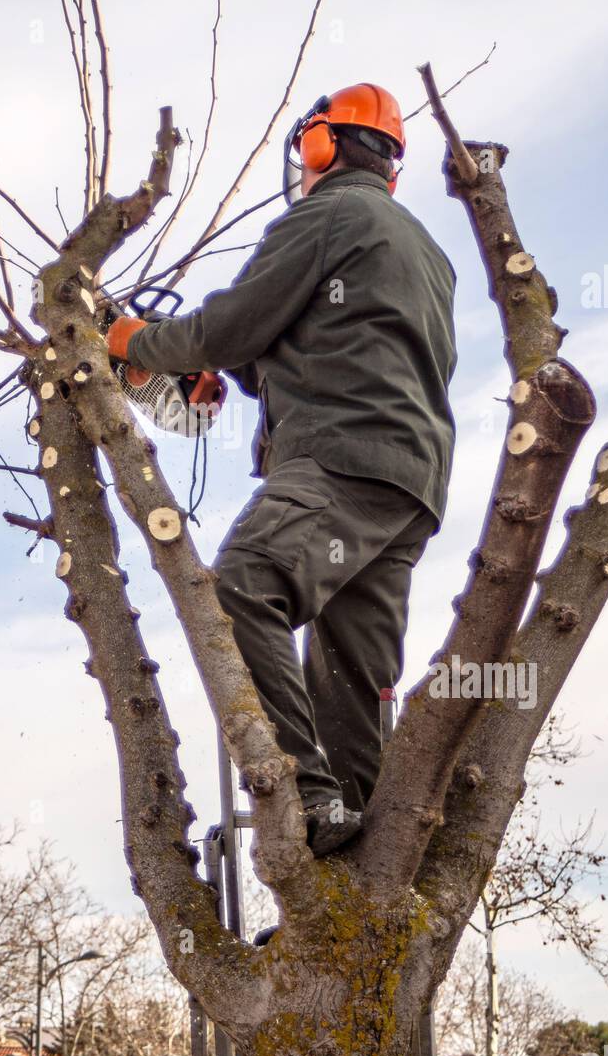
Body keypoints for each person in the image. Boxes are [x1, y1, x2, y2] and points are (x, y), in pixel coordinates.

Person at [107, 83, 457, 856]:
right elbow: (336, 344)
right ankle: (362, 860)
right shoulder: (422, 250)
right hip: (407, 482)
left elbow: (227, 323)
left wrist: (135, 342)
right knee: (347, 671)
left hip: (339, 457)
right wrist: (234, 372)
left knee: (239, 586)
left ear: (319, 146)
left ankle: (305, 792)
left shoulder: (323, 215)